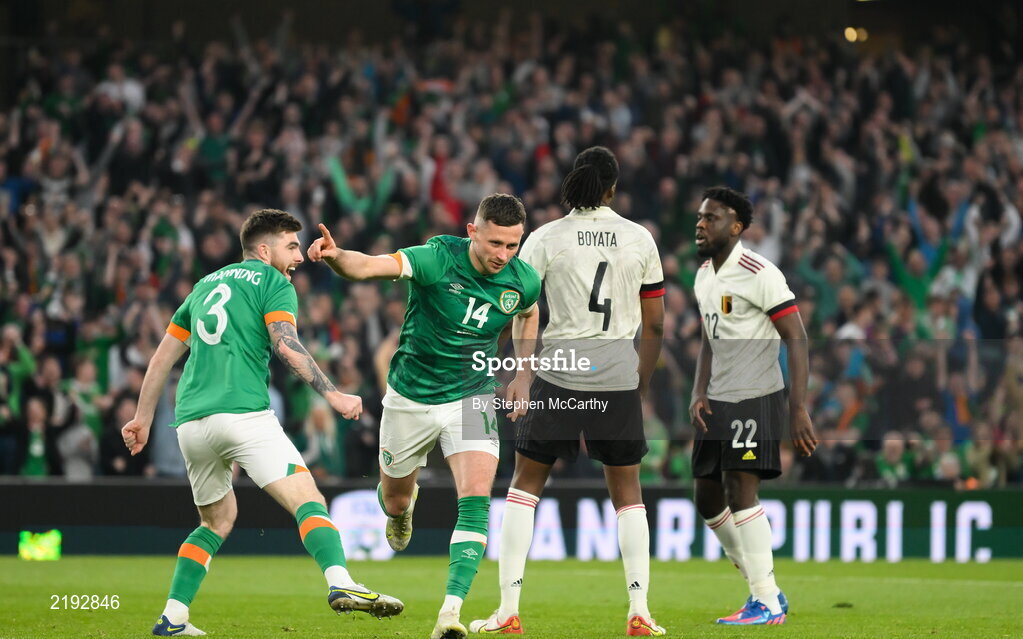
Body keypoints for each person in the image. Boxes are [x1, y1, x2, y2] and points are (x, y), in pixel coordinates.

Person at [121, 209, 402, 637]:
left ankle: (173, 618)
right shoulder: (274, 283)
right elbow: (286, 347)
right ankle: (341, 583)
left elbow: (162, 357)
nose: (299, 257)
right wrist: (334, 393)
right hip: (244, 415)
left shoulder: (203, 286)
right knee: (309, 500)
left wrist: (142, 418)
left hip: (191, 424)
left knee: (215, 521)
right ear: (265, 249)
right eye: (292, 246)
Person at [308, 193, 541, 639]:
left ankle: (450, 613)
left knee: (476, 498)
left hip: (472, 395)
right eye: (495, 244)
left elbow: (529, 316)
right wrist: (337, 257)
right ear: (473, 231)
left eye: (512, 246)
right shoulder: (437, 257)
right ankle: (400, 510)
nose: (503, 256)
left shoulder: (523, 280)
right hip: (410, 397)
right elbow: (371, 266)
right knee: (396, 499)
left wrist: (523, 376)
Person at [470, 147, 667, 636]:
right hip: (618, 375)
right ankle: (639, 611)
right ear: (612, 188)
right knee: (628, 495)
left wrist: (518, 370)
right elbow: (656, 323)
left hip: (558, 373)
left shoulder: (546, 238)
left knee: (524, 487)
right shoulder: (639, 238)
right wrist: (638, 382)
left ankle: (508, 610)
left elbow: (518, 307)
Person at [689, 186, 818, 625]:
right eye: (700, 217)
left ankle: (763, 599)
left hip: (756, 395)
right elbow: (710, 338)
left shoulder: (759, 271)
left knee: (741, 491)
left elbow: (796, 337)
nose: (701, 224)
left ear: (737, 226)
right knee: (706, 497)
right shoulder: (705, 274)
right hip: (718, 399)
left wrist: (797, 407)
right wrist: (698, 389)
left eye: (712, 217)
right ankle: (763, 588)